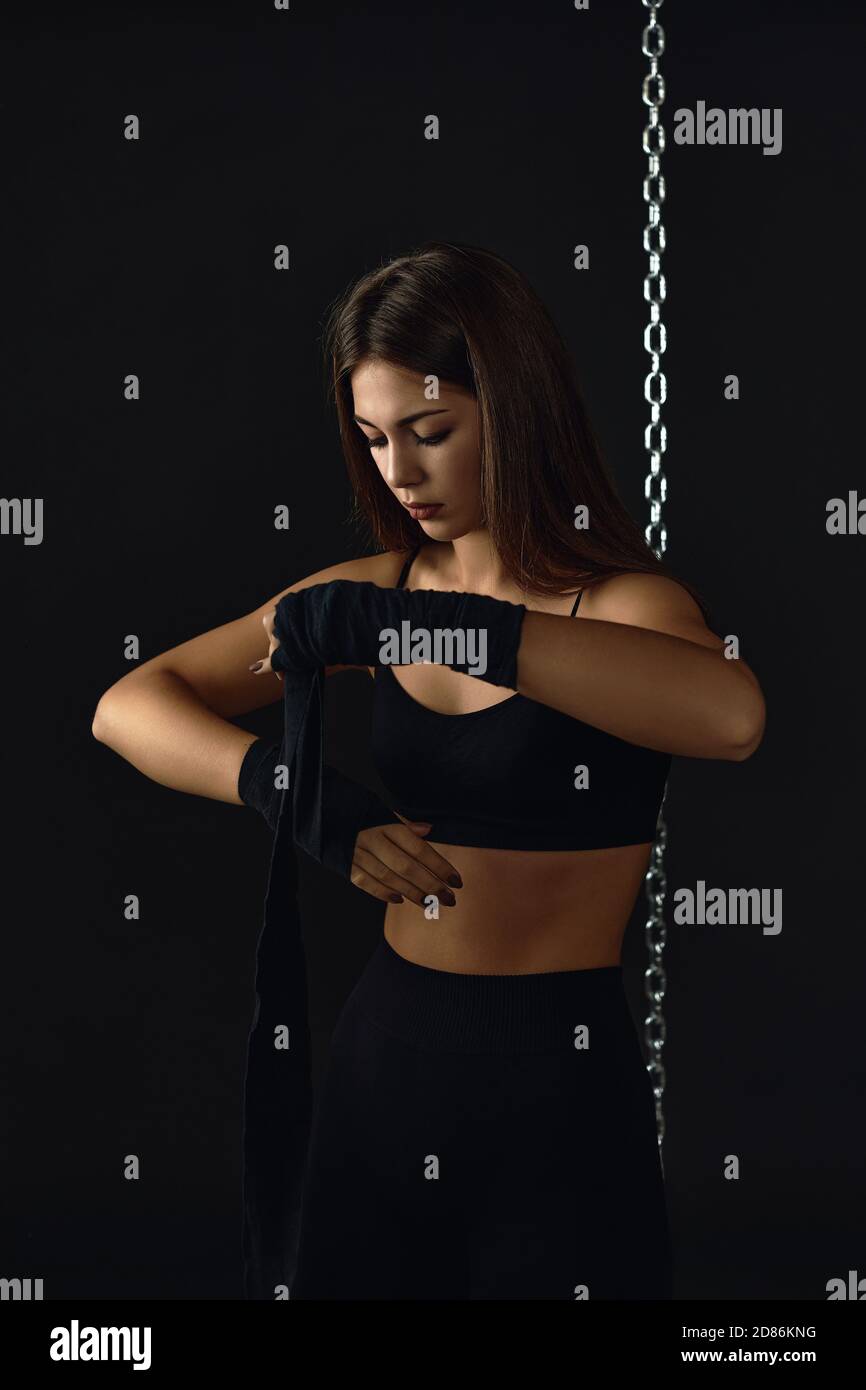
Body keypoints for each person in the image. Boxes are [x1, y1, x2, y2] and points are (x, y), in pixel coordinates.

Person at [93, 241, 766, 1300]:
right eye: (371, 440)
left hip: (557, 1073)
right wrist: (298, 796)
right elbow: (127, 705)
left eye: (430, 432)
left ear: (514, 409)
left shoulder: (622, 606)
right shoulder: (381, 583)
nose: (398, 474)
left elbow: (729, 719)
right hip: (387, 1058)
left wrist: (435, 629)